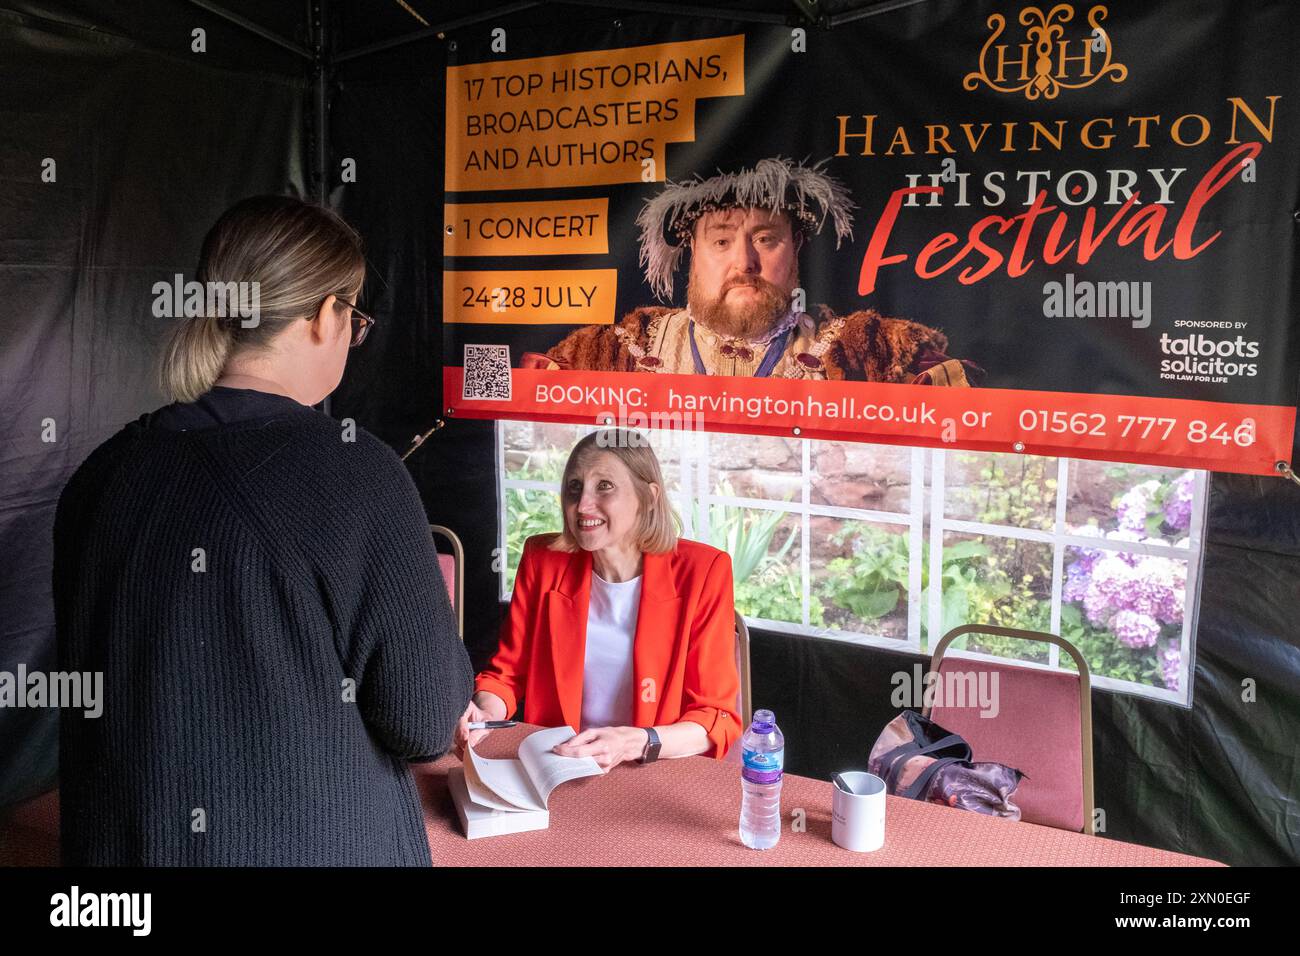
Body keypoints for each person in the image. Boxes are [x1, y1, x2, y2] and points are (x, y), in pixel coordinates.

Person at [53, 195, 472, 866]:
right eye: (354, 318)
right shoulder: (358, 470)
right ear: (323, 314)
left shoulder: (101, 474)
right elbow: (423, 722)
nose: (351, 337)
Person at [522, 156, 980, 386]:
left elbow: (979, 410)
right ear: (693, 253)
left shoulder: (869, 350)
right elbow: (494, 393)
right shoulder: (617, 351)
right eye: (721, 241)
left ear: (795, 248)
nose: (745, 263)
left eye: (765, 239)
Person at [456, 429, 740, 767]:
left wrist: (636, 741)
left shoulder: (704, 571)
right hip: (557, 763)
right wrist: (486, 713)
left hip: (655, 767)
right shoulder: (542, 559)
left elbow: (716, 717)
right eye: (575, 487)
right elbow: (506, 675)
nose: (583, 505)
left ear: (648, 497)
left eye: (604, 486)